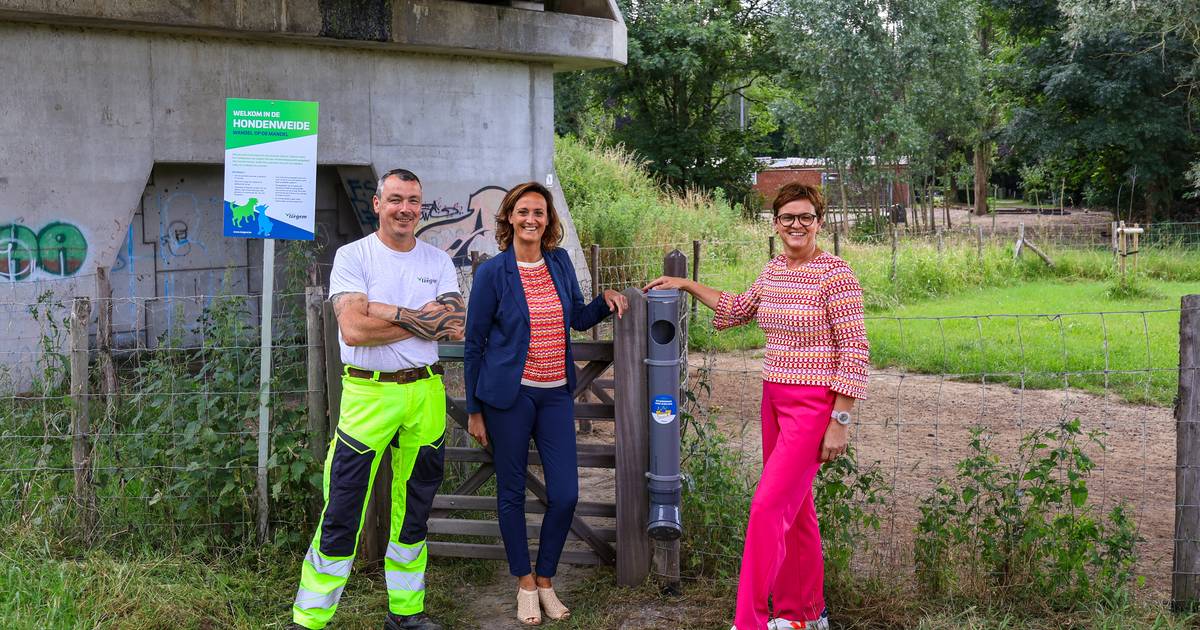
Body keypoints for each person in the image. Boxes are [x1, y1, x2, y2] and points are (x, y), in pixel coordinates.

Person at [644, 183, 869, 630]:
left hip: (813, 406)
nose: (797, 225)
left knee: (767, 510)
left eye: (806, 217)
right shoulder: (773, 271)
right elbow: (737, 309)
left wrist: (839, 421)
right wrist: (687, 284)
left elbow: (855, 351)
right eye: (788, 218)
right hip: (774, 400)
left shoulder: (836, 274)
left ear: (820, 221)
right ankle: (804, 614)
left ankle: (749, 622)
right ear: (776, 224)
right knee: (797, 512)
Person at [292, 169, 465, 630]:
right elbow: (353, 329)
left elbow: (454, 324)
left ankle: (406, 615)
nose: (405, 209)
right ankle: (310, 618)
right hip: (368, 393)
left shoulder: (437, 261)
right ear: (377, 204)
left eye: (413, 200)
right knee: (343, 507)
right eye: (395, 199)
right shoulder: (353, 257)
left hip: (426, 391)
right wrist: (420, 319)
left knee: (414, 511)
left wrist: (383, 310)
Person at [463, 181, 627, 626]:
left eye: (539, 212)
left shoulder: (559, 263)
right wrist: (475, 409)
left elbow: (575, 317)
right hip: (508, 398)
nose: (531, 219)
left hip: (555, 394)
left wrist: (605, 301)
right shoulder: (493, 273)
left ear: (548, 221)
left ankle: (548, 577)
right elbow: (474, 343)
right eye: (523, 212)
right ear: (510, 218)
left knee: (566, 493)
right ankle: (524, 582)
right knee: (512, 492)